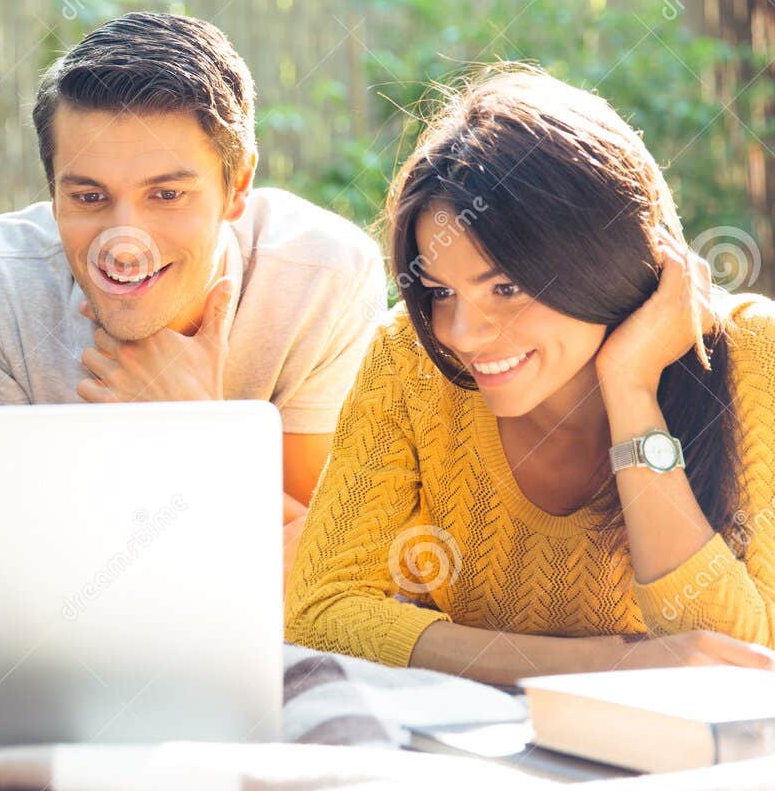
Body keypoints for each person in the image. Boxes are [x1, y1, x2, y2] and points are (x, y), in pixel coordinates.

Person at [287, 65, 775, 681]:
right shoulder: (409, 361)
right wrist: (602, 664)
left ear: (608, 260)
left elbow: (737, 670)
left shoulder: (756, 357)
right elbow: (320, 612)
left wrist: (631, 389)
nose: (461, 333)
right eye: (439, 292)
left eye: (506, 286)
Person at [0, 12, 384, 572]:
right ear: (52, 192)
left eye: (167, 195)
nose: (125, 247)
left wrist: (198, 434)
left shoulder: (323, 279)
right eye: (89, 198)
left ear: (238, 186)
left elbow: (329, 573)